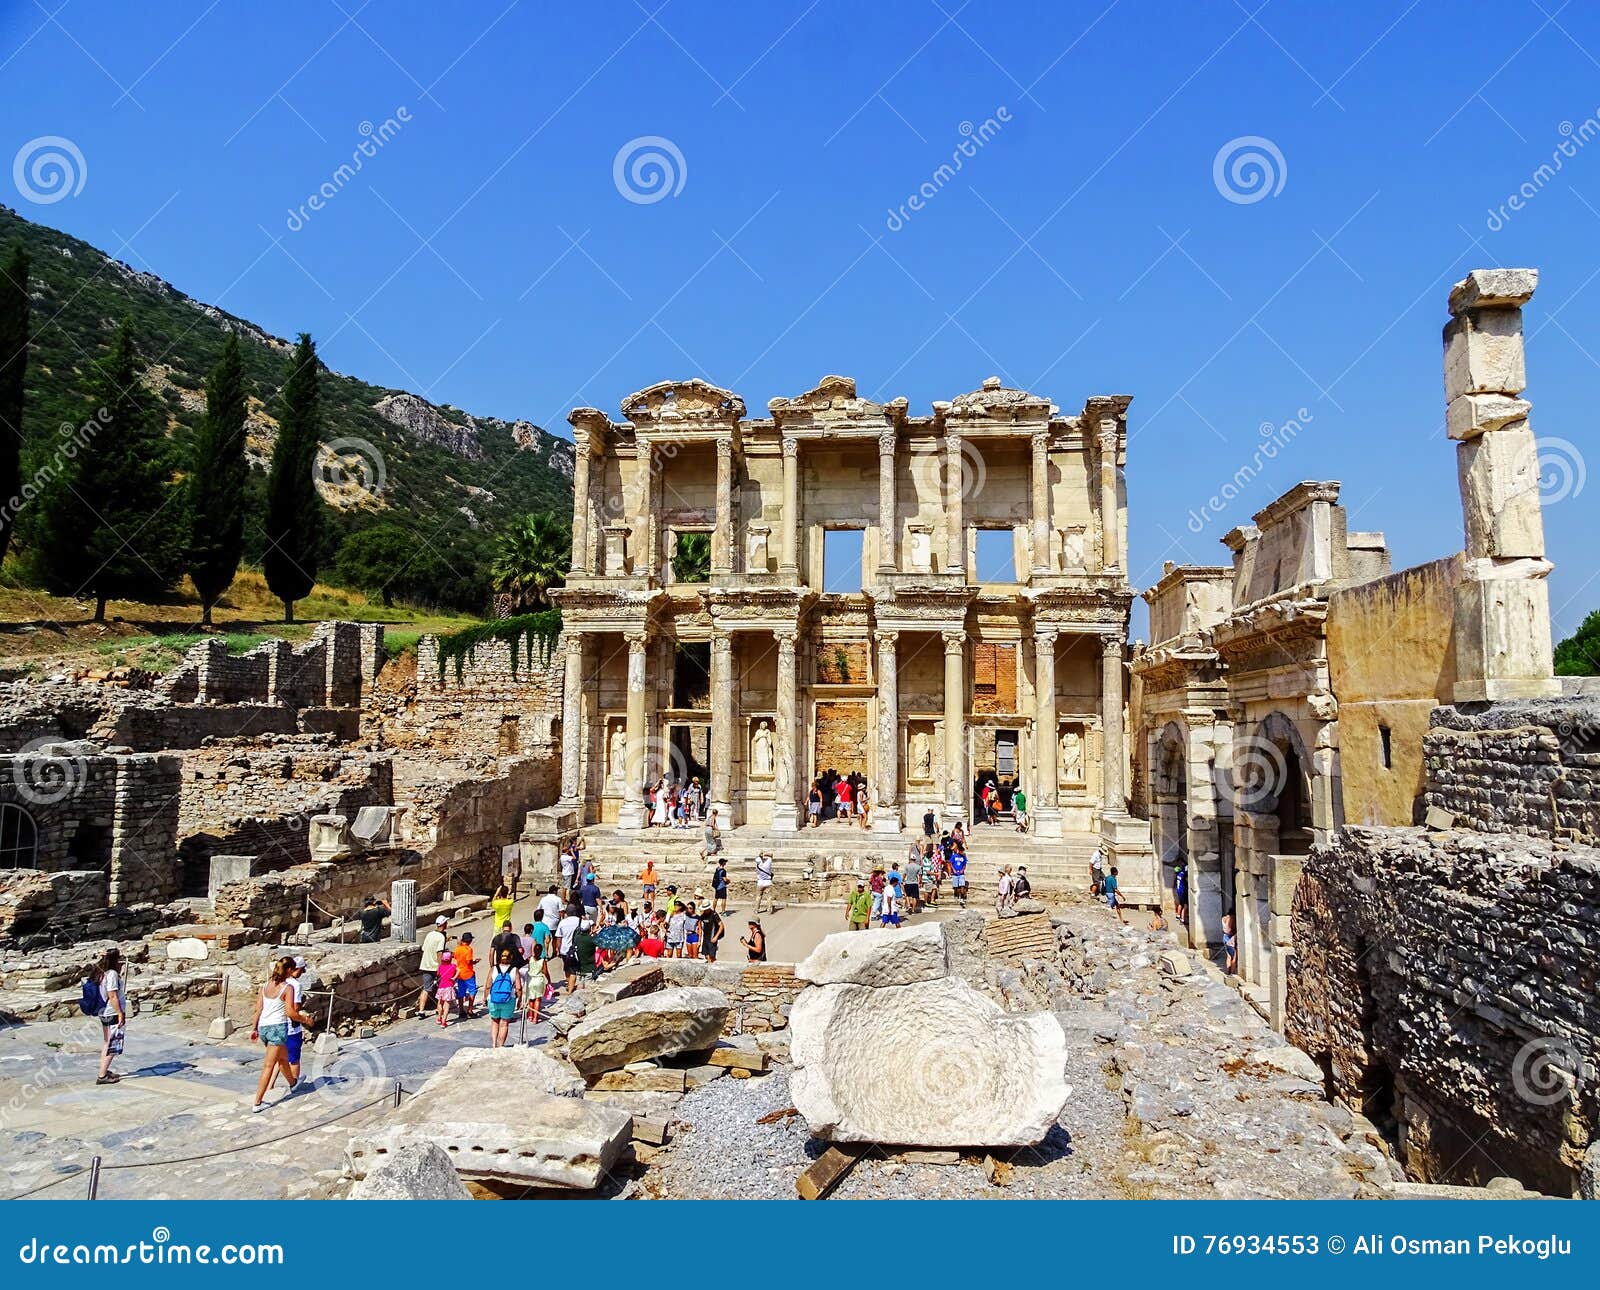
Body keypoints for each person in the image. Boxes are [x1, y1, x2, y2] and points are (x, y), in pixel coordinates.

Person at [249, 960, 300, 1111]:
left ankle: (293, 1083)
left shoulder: (265, 986)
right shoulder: (288, 988)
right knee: (269, 1066)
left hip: (264, 1027)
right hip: (277, 1028)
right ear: (289, 970)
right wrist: (305, 1019)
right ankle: (257, 1102)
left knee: (283, 1058)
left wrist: (254, 1028)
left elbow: (258, 1009)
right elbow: (290, 1012)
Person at [92, 948, 127, 1086]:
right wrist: (120, 1014)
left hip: (103, 1012)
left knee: (107, 1042)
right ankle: (102, 1075)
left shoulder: (99, 971)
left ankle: (104, 1071)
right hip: (111, 1012)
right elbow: (112, 995)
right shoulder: (111, 974)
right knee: (112, 1044)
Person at [417, 915, 447, 1017]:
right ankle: (439, 1009)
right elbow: (439, 953)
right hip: (435, 966)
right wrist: (440, 966)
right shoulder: (441, 937)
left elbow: (424, 948)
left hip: (425, 964)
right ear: (443, 924)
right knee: (440, 988)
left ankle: (421, 1010)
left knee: (426, 988)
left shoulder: (429, 934)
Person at [556, 906, 585, 992]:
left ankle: (570, 985)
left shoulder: (562, 923)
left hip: (565, 950)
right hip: (577, 949)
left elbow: (558, 938)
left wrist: (558, 949)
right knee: (574, 969)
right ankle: (571, 985)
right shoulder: (580, 921)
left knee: (567, 968)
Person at [453, 933, 478, 1019]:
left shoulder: (458, 949)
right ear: (469, 941)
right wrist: (474, 962)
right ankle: (470, 1010)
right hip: (468, 973)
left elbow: (455, 957)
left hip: (459, 974)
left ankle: (461, 1011)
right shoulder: (469, 949)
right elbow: (468, 961)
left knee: (461, 992)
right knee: (473, 991)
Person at [435, 946, 457, 1027]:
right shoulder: (453, 966)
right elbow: (459, 970)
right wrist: (454, 977)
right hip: (449, 987)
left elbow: (438, 974)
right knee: (447, 1005)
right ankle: (444, 1021)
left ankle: (439, 1018)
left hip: (441, 987)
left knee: (440, 1003)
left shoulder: (440, 967)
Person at [754, 850, 775, 915]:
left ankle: (756, 910)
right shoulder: (768, 862)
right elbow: (771, 854)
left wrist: (760, 855)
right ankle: (769, 910)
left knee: (758, 896)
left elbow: (758, 858)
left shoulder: (758, 865)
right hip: (768, 882)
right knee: (769, 897)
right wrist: (765, 853)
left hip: (760, 882)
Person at [948, 845, 968, 909]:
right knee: (956, 887)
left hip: (961, 874)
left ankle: (962, 897)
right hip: (955, 874)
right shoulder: (954, 856)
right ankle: (956, 895)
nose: (962, 852)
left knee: (962, 885)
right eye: (961, 851)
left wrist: (962, 870)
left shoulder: (964, 857)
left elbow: (965, 864)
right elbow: (950, 863)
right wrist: (953, 870)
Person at [904, 850, 922, 915]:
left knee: (907, 895)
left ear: (910, 859)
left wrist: (903, 880)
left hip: (908, 882)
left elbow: (904, 874)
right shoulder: (918, 867)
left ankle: (909, 905)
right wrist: (920, 882)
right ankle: (913, 909)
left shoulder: (907, 866)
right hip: (914, 883)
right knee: (914, 897)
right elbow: (920, 876)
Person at [1173, 860, 1189, 927]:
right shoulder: (1182, 873)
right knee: (1185, 906)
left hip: (1179, 891)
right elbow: (1187, 867)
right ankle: (1182, 920)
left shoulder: (1178, 875)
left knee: (1180, 904)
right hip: (1183, 891)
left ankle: (1178, 916)